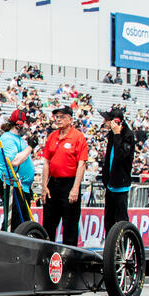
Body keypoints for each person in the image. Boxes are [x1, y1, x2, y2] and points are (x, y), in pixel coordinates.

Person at [39, 104, 88, 245]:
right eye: (57, 117)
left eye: (62, 117)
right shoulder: (52, 136)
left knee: (70, 225)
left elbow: (81, 164)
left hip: (69, 182)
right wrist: (44, 186)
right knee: (48, 223)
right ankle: (47, 256)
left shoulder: (78, 137)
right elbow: (46, 162)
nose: (58, 120)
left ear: (70, 119)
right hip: (53, 183)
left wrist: (75, 188)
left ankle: (70, 261)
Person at [0, 109, 35, 231]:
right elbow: (14, 161)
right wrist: (30, 147)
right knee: (14, 221)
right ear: (19, 124)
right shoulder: (8, 138)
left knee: (21, 220)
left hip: (22, 185)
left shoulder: (18, 139)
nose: (29, 126)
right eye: (27, 123)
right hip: (11, 183)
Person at [99, 106, 135, 230]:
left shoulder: (127, 136)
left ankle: (123, 246)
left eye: (107, 120)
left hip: (121, 185)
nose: (104, 122)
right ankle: (109, 245)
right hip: (110, 184)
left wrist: (118, 134)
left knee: (121, 220)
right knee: (108, 220)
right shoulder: (111, 135)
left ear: (116, 121)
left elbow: (120, 156)